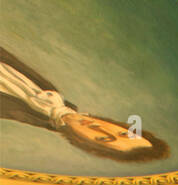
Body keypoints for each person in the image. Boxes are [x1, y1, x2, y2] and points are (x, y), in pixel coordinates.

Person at [0, 47, 168, 162]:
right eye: (122, 133)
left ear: (84, 143)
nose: (99, 128)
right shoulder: (52, 93)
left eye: (103, 138)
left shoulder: (24, 120)